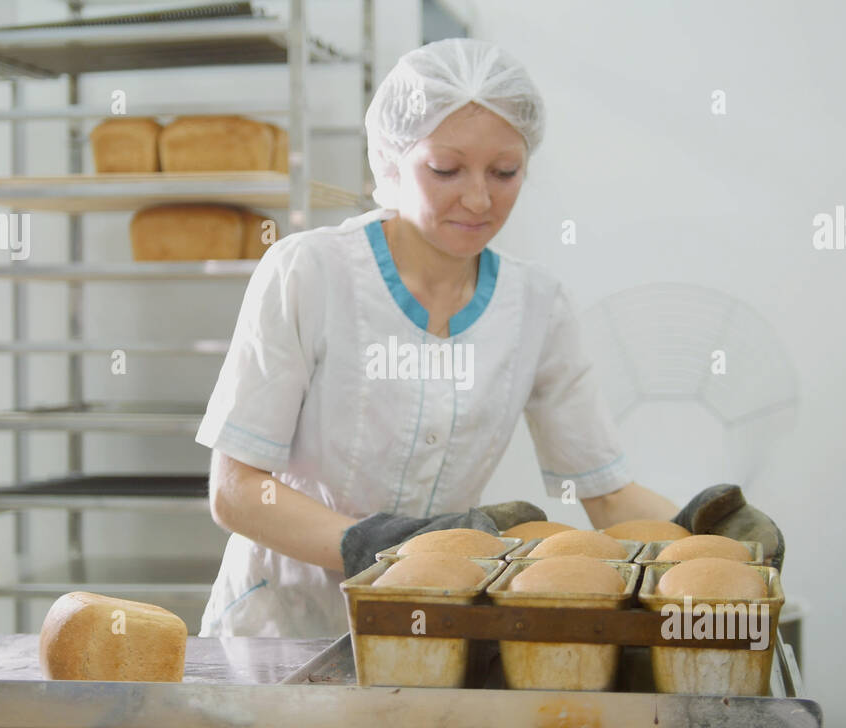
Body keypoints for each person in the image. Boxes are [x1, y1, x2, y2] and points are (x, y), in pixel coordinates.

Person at [194, 39, 780, 639]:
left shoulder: (536, 306)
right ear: (394, 159)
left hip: (432, 630)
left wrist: (704, 542)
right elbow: (237, 492)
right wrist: (371, 544)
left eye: (505, 172)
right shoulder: (309, 272)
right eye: (446, 170)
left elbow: (605, 494)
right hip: (279, 632)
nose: (479, 198)